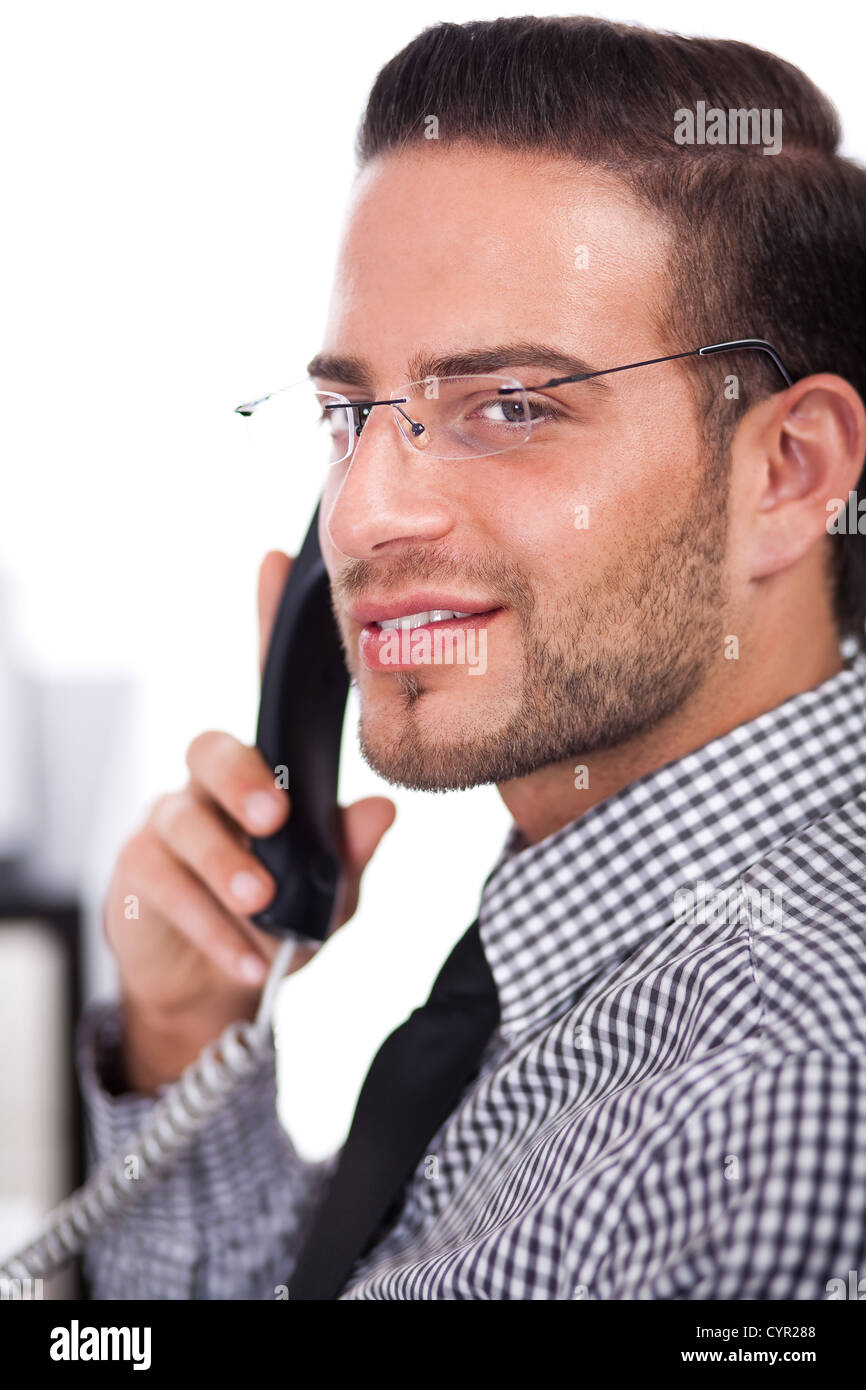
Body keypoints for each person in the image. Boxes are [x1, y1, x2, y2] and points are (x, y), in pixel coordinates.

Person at [78, 16, 866, 1300]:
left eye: (508, 406)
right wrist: (186, 1041)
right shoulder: (584, 957)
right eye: (351, 413)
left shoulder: (781, 1117)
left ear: (785, 474)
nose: (365, 513)